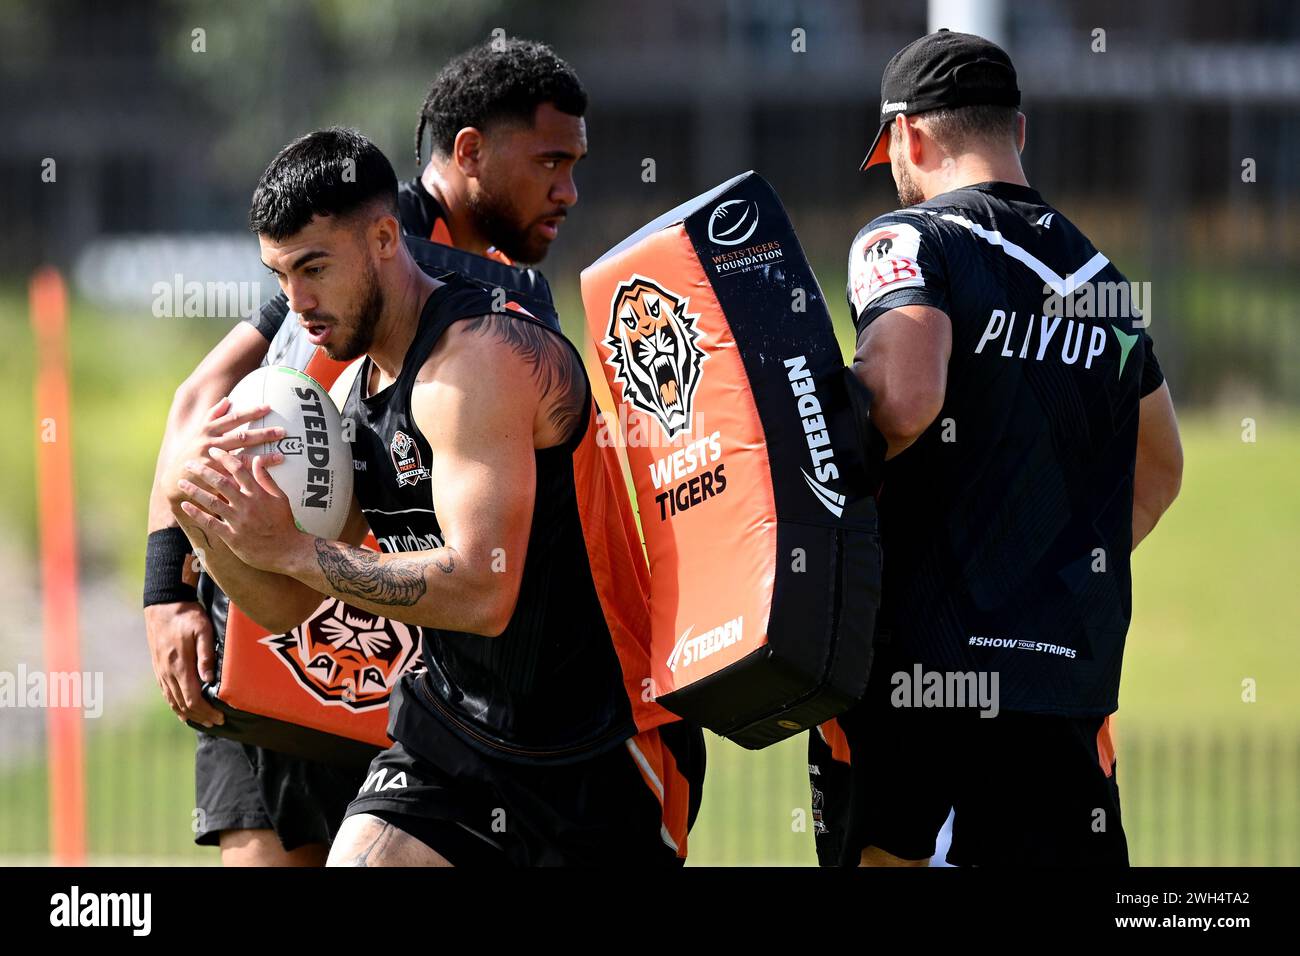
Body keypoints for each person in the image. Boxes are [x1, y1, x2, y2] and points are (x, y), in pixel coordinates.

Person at [172, 127, 702, 867]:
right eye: (280, 274)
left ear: (386, 237)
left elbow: (482, 589)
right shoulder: (357, 391)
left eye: (314, 268)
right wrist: (214, 528)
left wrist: (291, 548)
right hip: (453, 733)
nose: (297, 303)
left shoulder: (475, 364)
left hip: (598, 743)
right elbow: (288, 605)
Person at [144, 38, 589, 865]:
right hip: (341, 676)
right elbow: (200, 404)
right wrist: (178, 566)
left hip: (533, 720)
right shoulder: (366, 262)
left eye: (574, 163)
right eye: (551, 161)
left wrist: (285, 549)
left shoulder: (483, 322)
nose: (566, 190)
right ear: (470, 153)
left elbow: (480, 582)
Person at [808, 29, 1183, 867]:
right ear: (1020, 130)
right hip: (1065, 697)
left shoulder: (905, 240)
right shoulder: (1102, 282)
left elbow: (903, 400)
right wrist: (1037, 567)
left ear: (906, 134)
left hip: (923, 690)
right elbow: (1161, 470)